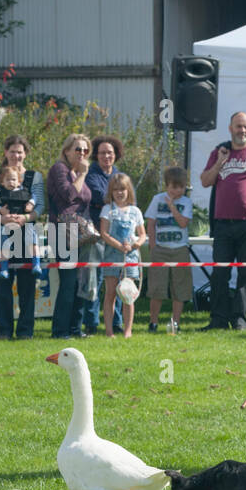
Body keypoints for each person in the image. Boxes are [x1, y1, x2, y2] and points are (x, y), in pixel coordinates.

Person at [200, 111, 246, 331]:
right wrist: (220, 161)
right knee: (220, 273)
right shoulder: (219, 152)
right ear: (230, 128)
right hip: (223, 225)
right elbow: (205, 181)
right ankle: (218, 319)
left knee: (245, 274)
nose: (242, 131)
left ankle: (240, 319)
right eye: (238, 126)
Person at [0, 147, 44, 340]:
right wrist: (3, 219)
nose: (15, 155)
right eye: (12, 151)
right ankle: (3, 331)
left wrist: (25, 218)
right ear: (5, 153)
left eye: (19, 152)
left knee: (27, 287)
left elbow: (40, 205)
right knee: (3, 286)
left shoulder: (34, 177)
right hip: (1, 233)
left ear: (26, 153)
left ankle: (25, 331)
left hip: (25, 233)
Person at [46, 133, 93, 338]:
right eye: (78, 149)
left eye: (85, 150)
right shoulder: (60, 169)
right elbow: (68, 195)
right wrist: (82, 175)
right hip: (62, 231)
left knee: (80, 282)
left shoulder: (76, 172)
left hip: (81, 232)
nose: (82, 153)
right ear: (66, 151)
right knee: (68, 281)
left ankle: (75, 328)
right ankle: (60, 330)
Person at [144, 166, 194, 333]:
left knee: (180, 288)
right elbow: (150, 223)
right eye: (174, 187)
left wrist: (172, 206)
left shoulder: (186, 202)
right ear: (167, 186)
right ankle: (153, 322)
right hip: (160, 250)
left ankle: (175, 323)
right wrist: (152, 245)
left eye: (181, 187)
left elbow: (183, 223)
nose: (178, 190)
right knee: (157, 288)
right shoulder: (157, 199)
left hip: (180, 249)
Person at [83, 135, 124, 335]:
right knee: (95, 280)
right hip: (97, 235)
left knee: (115, 280)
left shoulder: (118, 173)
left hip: (116, 236)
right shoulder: (91, 175)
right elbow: (98, 196)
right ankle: (91, 323)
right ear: (96, 155)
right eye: (102, 153)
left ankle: (116, 322)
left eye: (110, 152)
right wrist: (118, 196)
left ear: (115, 154)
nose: (106, 156)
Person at [98, 173, 144, 338]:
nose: (119, 193)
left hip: (130, 257)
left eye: (123, 189)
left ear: (128, 190)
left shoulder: (135, 211)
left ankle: (128, 330)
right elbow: (104, 233)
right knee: (110, 292)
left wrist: (136, 244)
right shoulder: (107, 210)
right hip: (112, 255)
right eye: (116, 189)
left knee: (127, 293)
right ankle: (109, 331)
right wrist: (118, 245)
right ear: (111, 192)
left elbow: (142, 234)